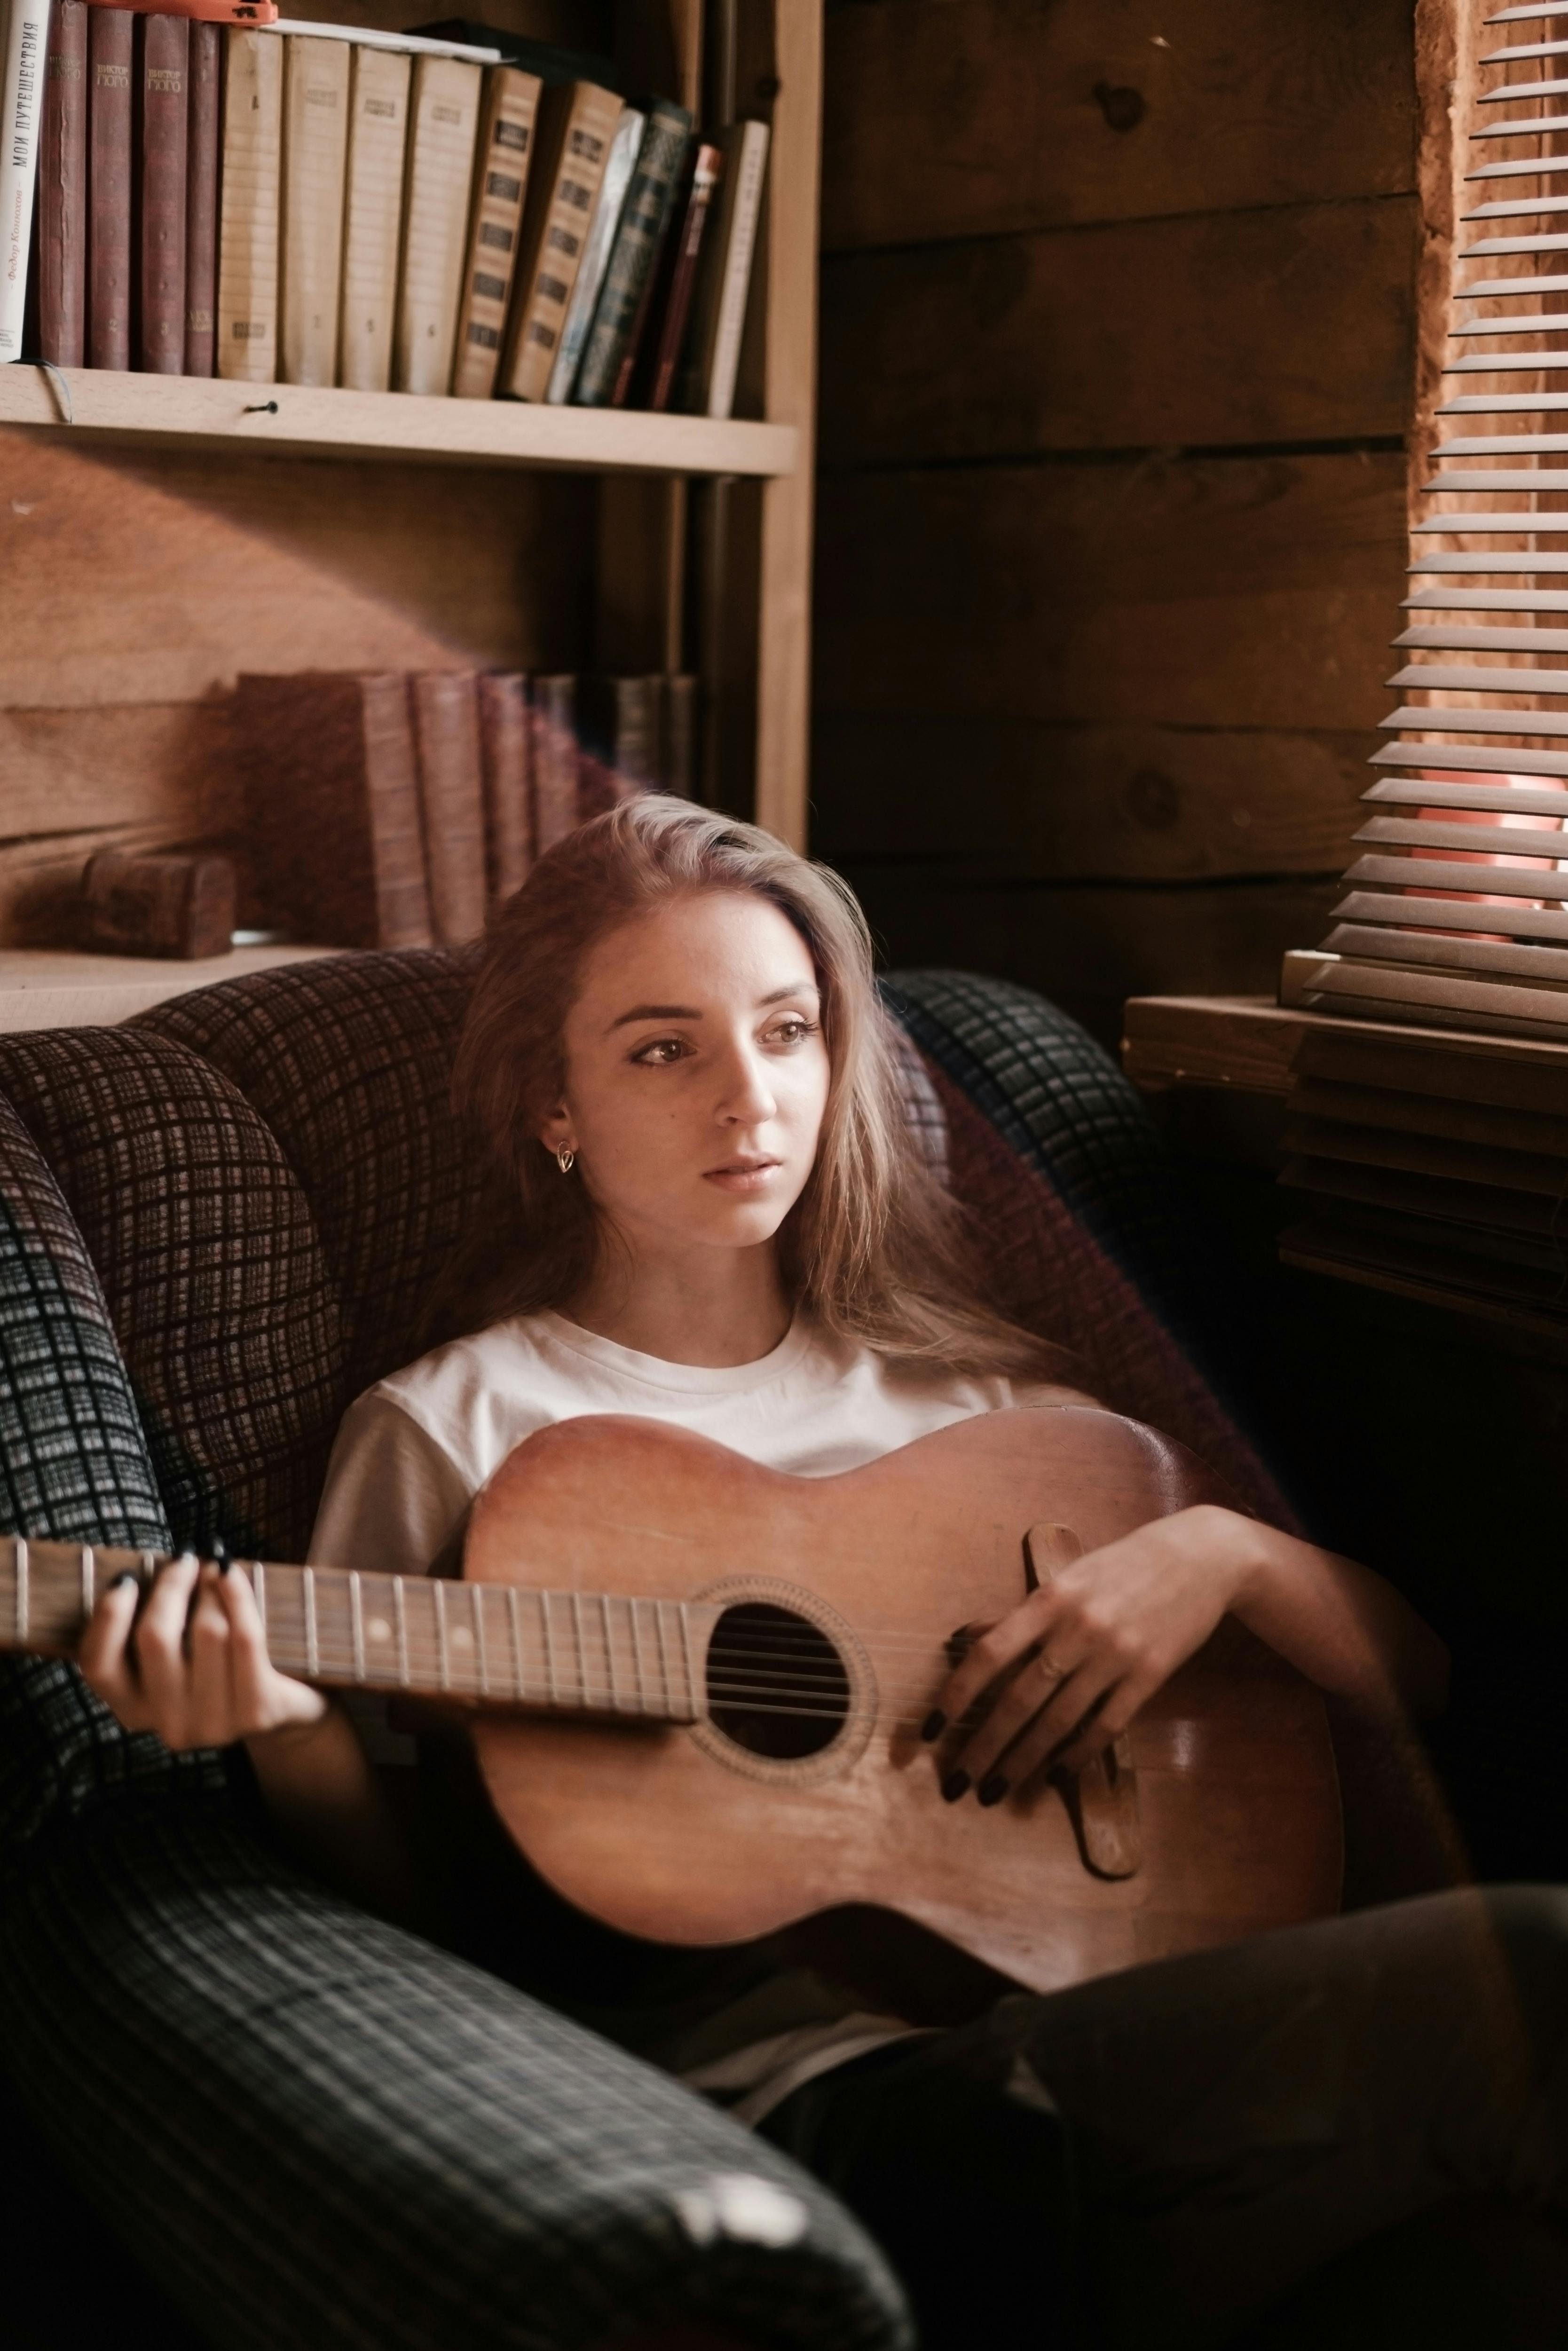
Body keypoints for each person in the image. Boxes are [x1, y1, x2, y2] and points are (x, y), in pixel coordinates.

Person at [76, 799, 1568, 2348]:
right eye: (666, 1048)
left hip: (1121, 2021)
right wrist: (279, 1726)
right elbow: (423, 1912)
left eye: (787, 1032)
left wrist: (1226, 1558)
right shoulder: (459, 1429)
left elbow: (1420, 1677)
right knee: (1540, 1974)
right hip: (816, 2108)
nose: (749, 1098)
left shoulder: (988, 1411)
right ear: (552, 1102)